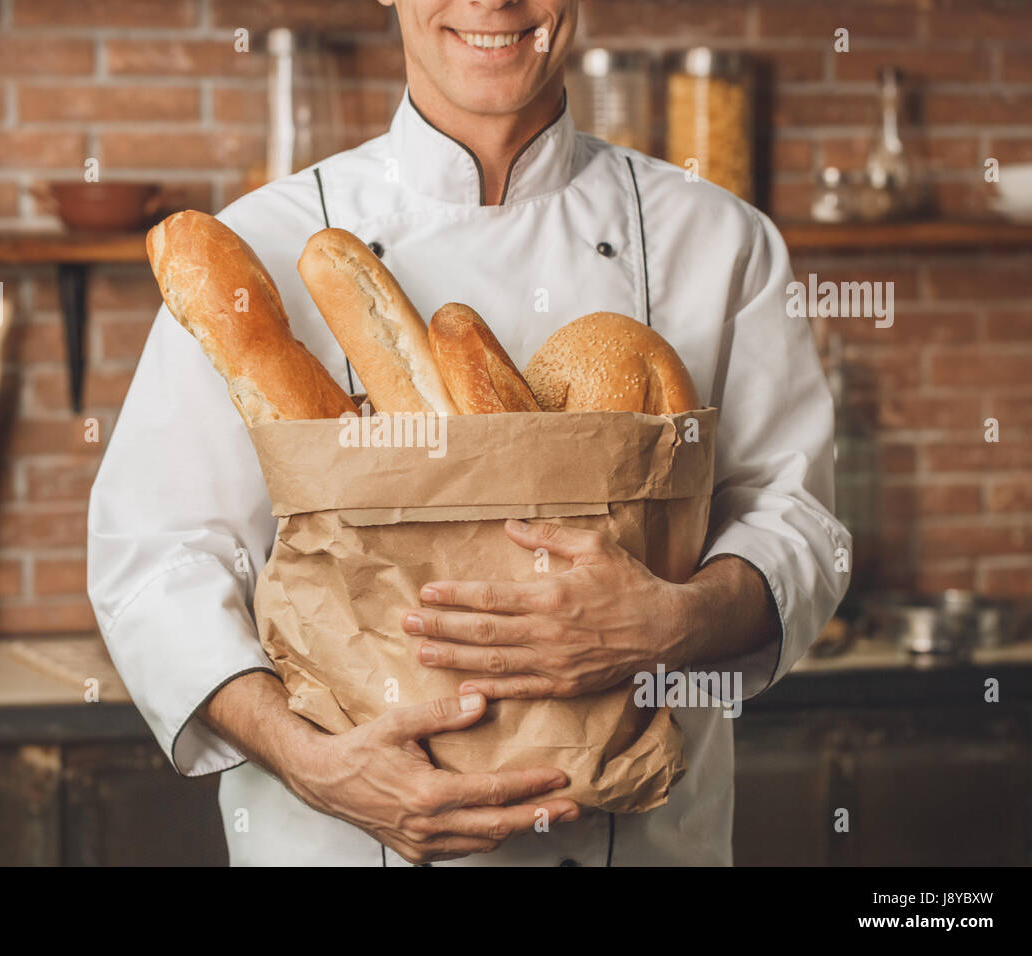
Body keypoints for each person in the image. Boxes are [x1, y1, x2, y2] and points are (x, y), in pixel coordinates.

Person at [87, 0, 850, 866]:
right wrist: (312, 763)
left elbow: (800, 525)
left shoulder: (719, 243)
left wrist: (674, 622)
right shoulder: (263, 241)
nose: (492, 3)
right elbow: (156, 561)